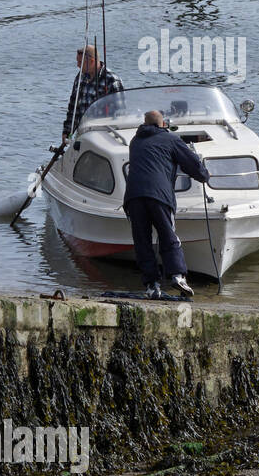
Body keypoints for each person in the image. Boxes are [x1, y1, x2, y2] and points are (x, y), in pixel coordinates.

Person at [123, 111, 210, 299]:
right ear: (163, 125)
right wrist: (204, 176)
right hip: (159, 196)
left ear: (143, 124)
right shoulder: (170, 139)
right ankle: (178, 276)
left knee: (142, 241)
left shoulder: (135, 141)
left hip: (133, 197)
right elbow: (192, 164)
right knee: (168, 235)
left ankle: (152, 285)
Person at [62, 44, 123, 142]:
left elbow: (120, 112)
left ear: (91, 62)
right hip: (83, 133)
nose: (78, 65)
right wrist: (67, 130)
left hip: (104, 134)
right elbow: (73, 107)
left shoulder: (112, 80)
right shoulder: (80, 77)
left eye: (80, 62)